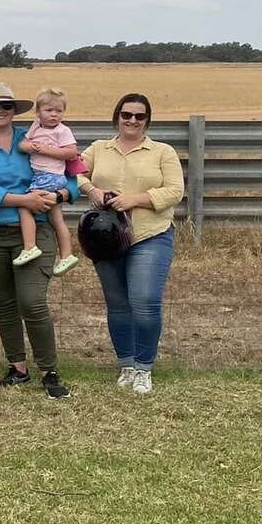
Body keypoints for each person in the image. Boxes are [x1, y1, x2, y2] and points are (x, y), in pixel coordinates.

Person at [0, 82, 77, 400]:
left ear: (15, 111)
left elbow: (73, 174)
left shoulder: (38, 135)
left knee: (32, 301)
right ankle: (18, 368)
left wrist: (60, 194)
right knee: (5, 302)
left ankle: (49, 370)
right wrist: (24, 200)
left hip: (37, 229)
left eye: (6, 106)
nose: (0, 111)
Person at [79, 93, 185, 395]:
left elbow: (175, 190)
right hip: (106, 238)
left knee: (145, 301)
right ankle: (126, 364)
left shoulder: (162, 151)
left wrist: (136, 199)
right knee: (117, 303)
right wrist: (92, 189)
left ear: (147, 121)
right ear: (117, 117)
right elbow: (71, 171)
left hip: (150, 234)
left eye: (139, 116)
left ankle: (144, 367)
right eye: (127, 115)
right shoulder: (99, 149)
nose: (132, 121)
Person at [15, 88, 81, 275]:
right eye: (49, 110)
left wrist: (44, 150)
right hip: (41, 176)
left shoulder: (63, 130)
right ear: (38, 112)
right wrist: (30, 146)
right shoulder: (36, 127)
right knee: (56, 218)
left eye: (58, 111)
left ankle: (30, 247)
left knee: (24, 206)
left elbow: (70, 152)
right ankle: (67, 255)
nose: (54, 115)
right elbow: (22, 145)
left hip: (50, 176)